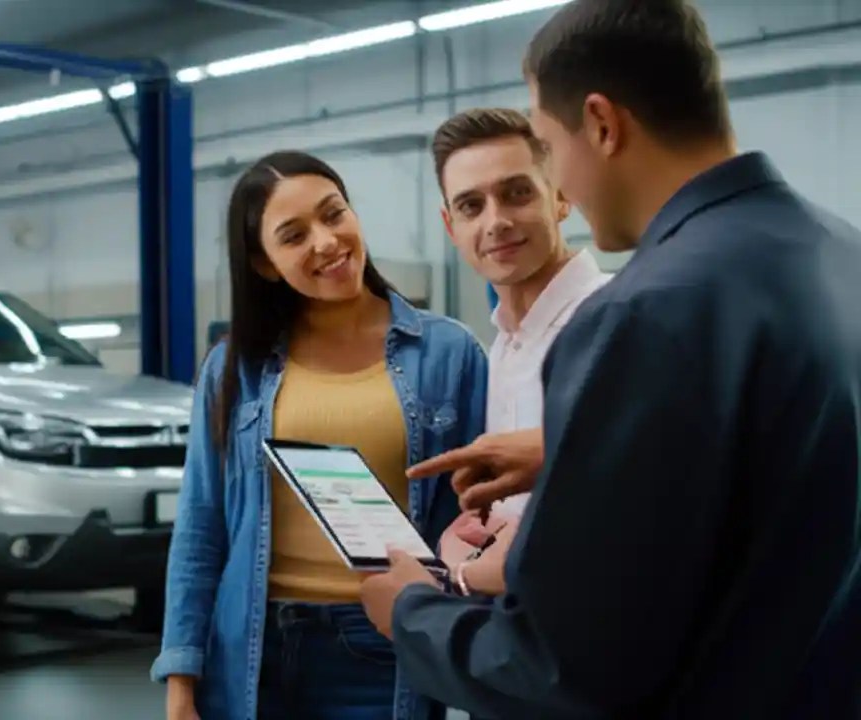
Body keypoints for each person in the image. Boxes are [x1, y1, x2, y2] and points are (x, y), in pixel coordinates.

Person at [359, 1, 861, 718]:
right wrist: (571, 452)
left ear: (600, 123)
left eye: (547, 145)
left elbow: (564, 670)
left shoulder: (641, 313)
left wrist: (409, 610)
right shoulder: (836, 252)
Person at [151, 150, 489, 720]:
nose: (326, 241)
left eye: (334, 214)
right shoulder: (234, 368)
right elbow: (201, 527)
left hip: (386, 645)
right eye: (293, 235)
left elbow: (477, 520)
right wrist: (181, 676)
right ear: (263, 263)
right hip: (255, 651)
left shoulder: (448, 354)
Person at [427, 107, 611, 597]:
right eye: (471, 206)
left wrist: (466, 571)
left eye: (517, 193)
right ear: (451, 227)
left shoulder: (617, 320)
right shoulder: (505, 345)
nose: (497, 222)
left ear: (562, 196)